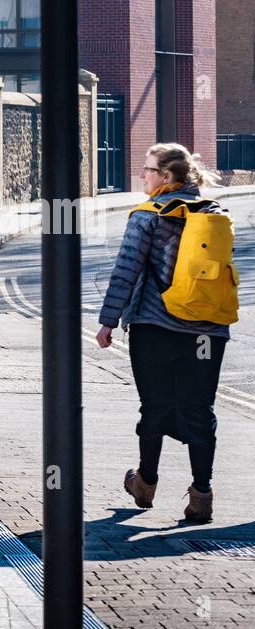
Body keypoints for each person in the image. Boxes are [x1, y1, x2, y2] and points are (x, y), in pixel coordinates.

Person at [96, 142, 229, 524]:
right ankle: (201, 494)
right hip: (208, 333)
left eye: (148, 169)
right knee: (200, 410)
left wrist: (108, 320)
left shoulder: (147, 216)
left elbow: (127, 271)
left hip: (155, 327)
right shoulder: (215, 213)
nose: (142, 175)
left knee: (154, 405)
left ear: (166, 178)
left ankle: (146, 483)